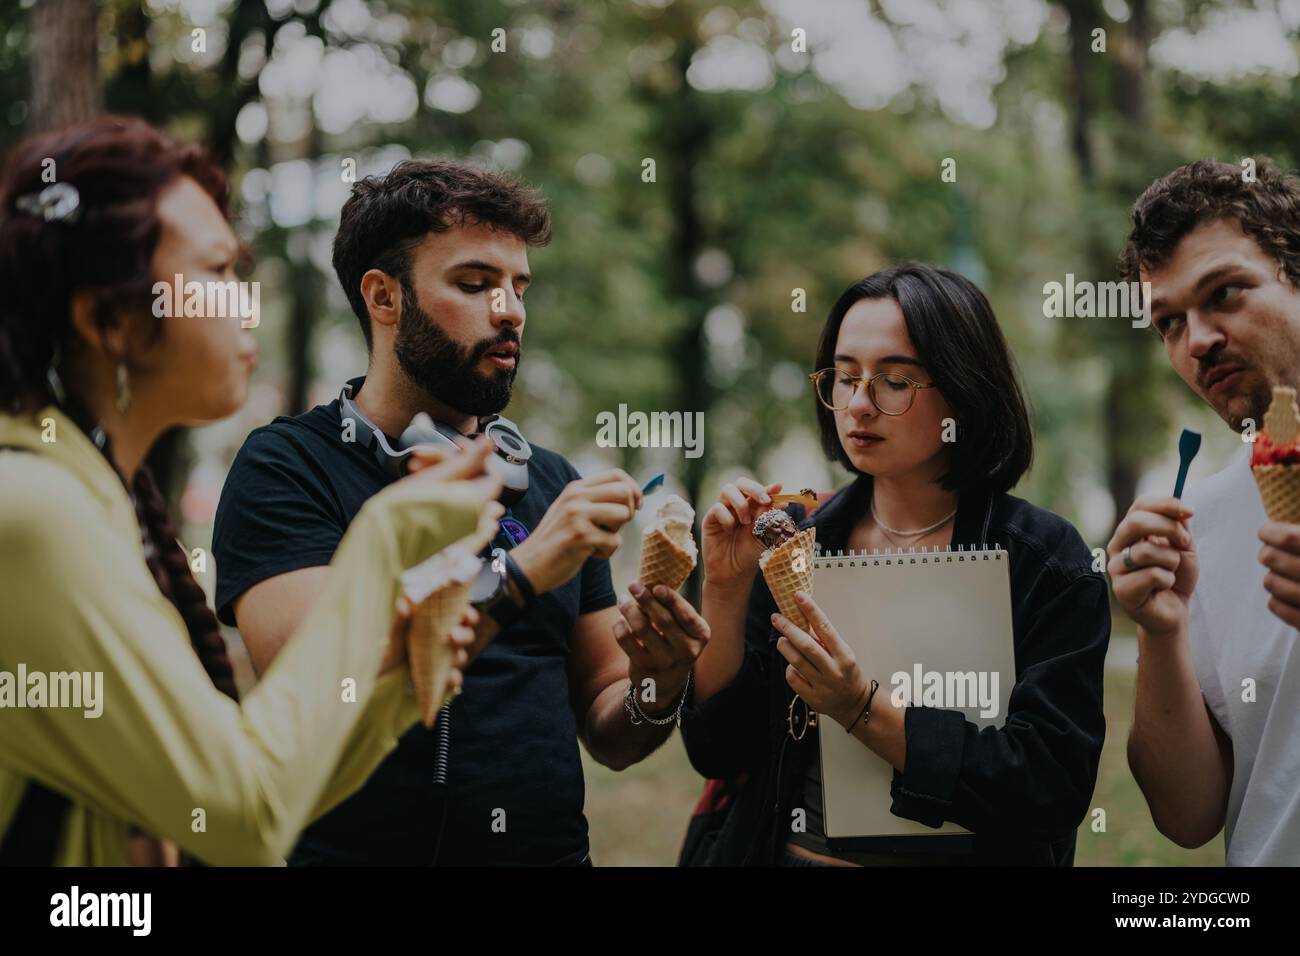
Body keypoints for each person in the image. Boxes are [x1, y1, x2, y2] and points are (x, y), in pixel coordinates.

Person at [0, 116, 499, 866]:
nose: (245, 303)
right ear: (109, 320)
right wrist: (386, 541)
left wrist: (395, 677)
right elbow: (245, 820)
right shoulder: (37, 513)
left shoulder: (105, 502)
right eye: (214, 272)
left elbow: (263, 784)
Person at [211, 158, 710, 866]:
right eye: (475, 284)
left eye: (518, 287)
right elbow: (319, 687)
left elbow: (611, 729)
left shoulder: (550, 482)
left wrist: (659, 684)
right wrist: (526, 569)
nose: (509, 310)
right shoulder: (286, 467)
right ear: (385, 298)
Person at [673, 262, 1110, 865]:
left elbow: (1048, 787)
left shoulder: (1045, 560)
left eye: (895, 381)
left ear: (963, 387)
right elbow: (718, 751)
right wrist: (724, 588)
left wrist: (861, 709)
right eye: (846, 377)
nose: (858, 405)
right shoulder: (795, 545)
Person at [1108, 158, 1300, 865]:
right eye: (1169, 323)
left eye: (1225, 293)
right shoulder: (1204, 520)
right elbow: (1187, 815)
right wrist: (1161, 630)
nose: (1198, 341)